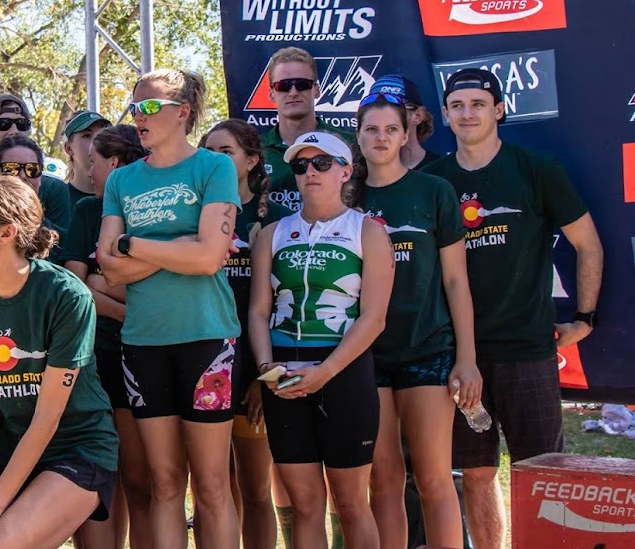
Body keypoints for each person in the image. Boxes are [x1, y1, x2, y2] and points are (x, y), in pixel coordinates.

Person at [424, 68, 604, 549]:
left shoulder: (535, 168)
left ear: (499, 110)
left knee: (543, 474)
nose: (467, 113)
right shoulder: (432, 180)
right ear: (444, 114)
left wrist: (584, 319)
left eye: (478, 103)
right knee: (477, 474)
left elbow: (587, 244)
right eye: (457, 105)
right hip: (460, 356)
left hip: (528, 351)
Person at [95, 69, 241, 549]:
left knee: (212, 485)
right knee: (164, 482)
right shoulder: (121, 179)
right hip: (143, 342)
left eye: (150, 106)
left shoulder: (213, 168)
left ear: (183, 112)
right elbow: (109, 268)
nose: (139, 115)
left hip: (207, 337)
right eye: (135, 106)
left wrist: (135, 243)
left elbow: (206, 258)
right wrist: (176, 245)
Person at [0, 175, 120, 548]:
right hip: (13, 452)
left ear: (6, 232)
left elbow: (48, 417)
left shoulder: (67, 295)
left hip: (78, 449)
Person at [248, 131, 394, 549]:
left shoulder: (367, 230)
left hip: (344, 372)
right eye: (301, 165)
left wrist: (326, 372)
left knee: (350, 503)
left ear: (346, 170)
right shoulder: (273, 233)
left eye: (322, 163)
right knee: (306, 504)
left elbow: (375, 317)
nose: (310, 172)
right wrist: (264, 369)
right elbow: (258, 311)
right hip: (284, 375)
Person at [347, 92, 479, 549]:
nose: (380, 138)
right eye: (371, 129)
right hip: (365, 354)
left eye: (390, 129)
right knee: (383, 479)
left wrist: (467, 359)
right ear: (357, 137)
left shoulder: (434, 191)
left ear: (406, 135)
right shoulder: (348, 197)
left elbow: (457, 281)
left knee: (433, 478)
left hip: (428, 348)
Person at [199, 120, 291, 549]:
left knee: (256, 489)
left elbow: (280, 303)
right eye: (209, 150)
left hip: (255, 367)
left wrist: (263, 375)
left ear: (252, 160)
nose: (216, 158)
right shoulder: (194, 211)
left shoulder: (276, 219)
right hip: (202, 363)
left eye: (227, 151)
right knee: (214, 489)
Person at [62, 124, 152, 549]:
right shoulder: (84, 211)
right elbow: (77, 287)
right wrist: (124, 301)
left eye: (94, 162)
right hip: (100, 358)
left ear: (114, 163)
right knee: (107, 478)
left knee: (142, 480)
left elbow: (156, 289)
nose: (89, 172)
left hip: (147, 353)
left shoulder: (154, 207)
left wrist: (111, 298)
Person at [261, 46, 356, 211]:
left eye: (302, 84)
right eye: (283, 86)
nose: (293, 92)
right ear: (271, 94)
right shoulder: (255, 150)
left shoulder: (349, 144)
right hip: (270, 236)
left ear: (317, 90)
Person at [0, 94, 73, 237]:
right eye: (2, 123)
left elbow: (60, 246)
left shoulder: (53, 189)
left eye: (22, 124)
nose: (14, 130)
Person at [366, 75, 441, 170]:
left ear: (418, 116)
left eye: (394, 109)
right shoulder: (358, 172)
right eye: (375, 109)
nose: (383, 116)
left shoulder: (441, 172)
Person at [61, 111, 111, 208]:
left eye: (103, 134)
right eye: (87, 135)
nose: (97, 141)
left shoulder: (120, 198)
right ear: (69, 148)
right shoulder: (59, 200)